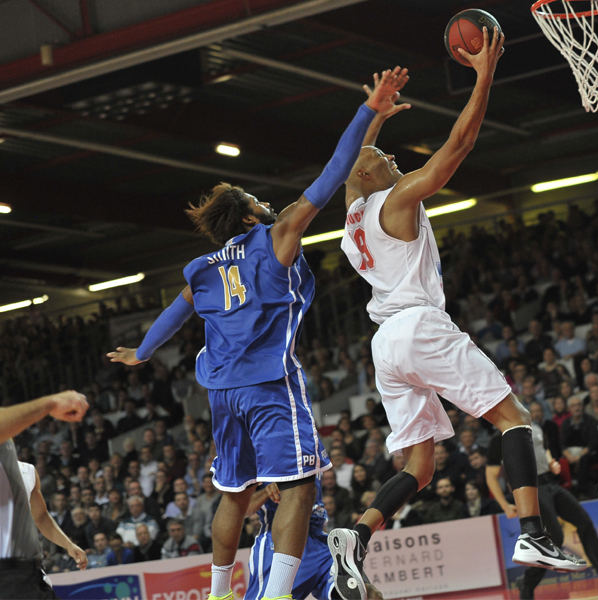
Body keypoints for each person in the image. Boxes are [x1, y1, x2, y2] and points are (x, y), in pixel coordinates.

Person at [107, 69, 407, 600]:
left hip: (220, 390)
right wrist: (369, 112)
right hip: (268, 382)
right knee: (300, 484)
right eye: (256, 200)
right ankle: (276, 595)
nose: (265, 203)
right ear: (250, 217)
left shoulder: (203, 268)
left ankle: (220, 593)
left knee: (234, 491)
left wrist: (143, 352)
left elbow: (176, 311)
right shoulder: (276, 236)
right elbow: (334, 173)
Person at [332, 30, 583, 600]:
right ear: (370, 176)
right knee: (515, 418)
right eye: (384, 158)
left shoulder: (352, 217)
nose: (393, 159)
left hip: (385, 345)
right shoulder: (396, 200)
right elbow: (460, 143)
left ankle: (357, 534)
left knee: (419, 467)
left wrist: (373, 117)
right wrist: (484, 75)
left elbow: (352, 165)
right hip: (419, 327)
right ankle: (533, 534)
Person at [486, 416, 598, 599]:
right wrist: (505, 505)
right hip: (531, 489)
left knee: (584, 522)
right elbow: (490, 475)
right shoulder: (499, 437)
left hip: (550, 482)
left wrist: (551, 462)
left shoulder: (534, 425)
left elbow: (544, 448)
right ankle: (528, 581)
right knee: (555, 538)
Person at [0, 391, 89, 598]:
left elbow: (40, 516)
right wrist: (50, 404)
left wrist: (67, 544)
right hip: (8, 574)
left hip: (31, 572)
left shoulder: (28, 471)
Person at [245, 481, 382, 600]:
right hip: (282, 540)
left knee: (368, 595)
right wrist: (265, 492)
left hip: (320, 541)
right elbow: (241, 508)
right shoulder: (259, 461)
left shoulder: (315, 458)